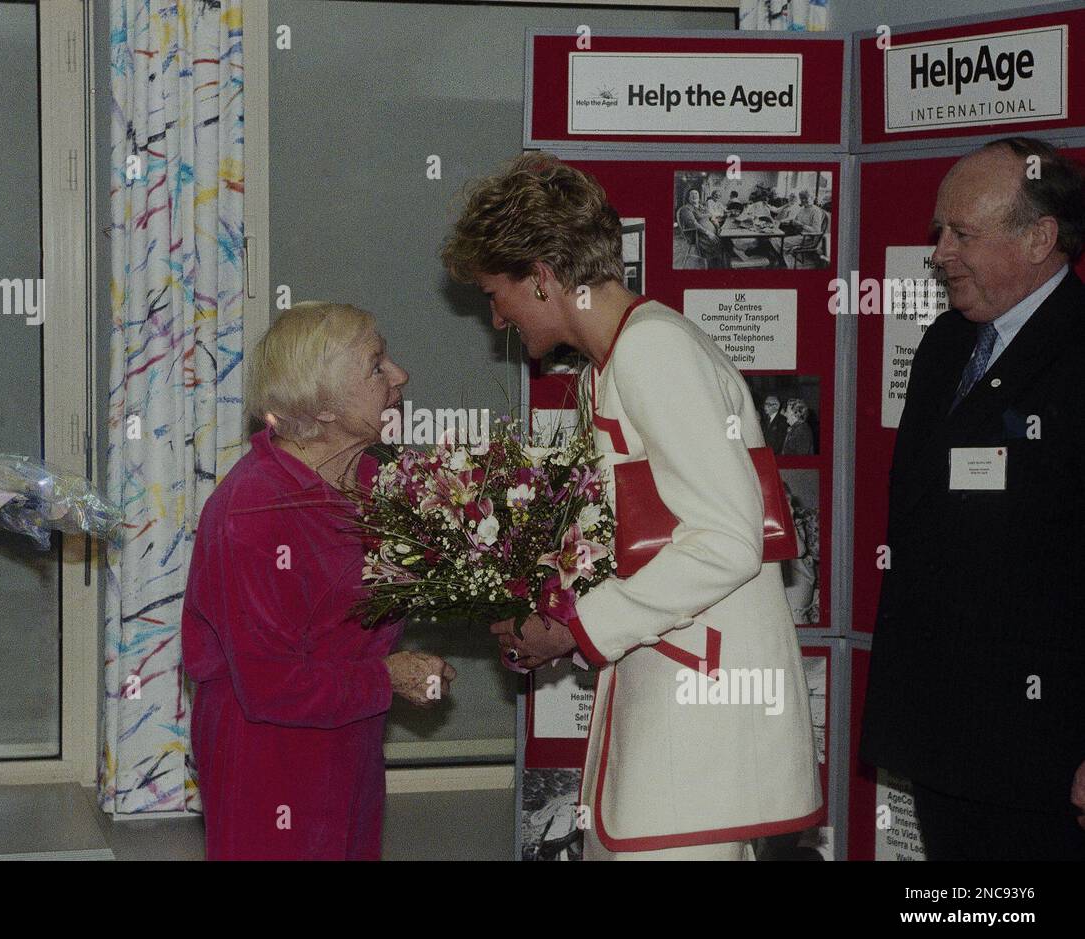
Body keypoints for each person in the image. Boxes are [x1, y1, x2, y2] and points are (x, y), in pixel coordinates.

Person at [443, 153, 821, 860]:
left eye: (498, 293)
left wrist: (577, 625)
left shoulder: (655, 353)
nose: (496, 316)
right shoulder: (608, 369)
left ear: (545, 276)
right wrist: (549, 609)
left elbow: (729, 539)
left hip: (701, 733)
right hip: (660, 713)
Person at [860, 137, 1085, 860]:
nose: (939, 252)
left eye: (962, 234)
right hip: (944, 740)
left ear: (1040, 237)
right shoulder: (945, 346)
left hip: (1044, 757)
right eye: (938, 232)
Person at [181, 300, 456, 860]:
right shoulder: (252, 510)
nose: (400, 376)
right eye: (376, 365)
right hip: (268, 758)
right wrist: (389, 678)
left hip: (349, 744)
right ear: (324, 407)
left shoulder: (376, 482)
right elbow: (268, 684)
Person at [674, 189, 721, 267]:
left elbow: (711, 215)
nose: (695, 195)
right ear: (688, 198)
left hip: (712, 232)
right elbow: (693, 224)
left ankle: (720, 264)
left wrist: (716, 223)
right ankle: (713, 266)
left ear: (699, 196)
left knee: (726, 240)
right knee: (720, 244)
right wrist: (708, 233)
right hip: (699, 235)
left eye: (696, 193)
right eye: (692, 194)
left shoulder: (702, 206)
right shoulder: (686, 209)